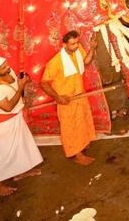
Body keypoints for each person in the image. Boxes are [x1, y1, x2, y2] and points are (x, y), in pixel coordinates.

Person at [0, 56, 43, 195]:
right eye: (3, 67)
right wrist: (21, 87)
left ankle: (21, 171)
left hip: (16, 118)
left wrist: (24, 85)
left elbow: (17, 88)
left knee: (22, 146)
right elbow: (7, 107)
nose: (7, 67)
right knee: (4, 155)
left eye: (6, 64)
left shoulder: (10, 73)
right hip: (4, 124)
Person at [40, 30, 98, 166]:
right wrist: (58, 97)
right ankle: (77, 154)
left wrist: (93, 48)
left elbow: (86, 62)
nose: (76, 46)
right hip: (67, 100)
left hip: (80, 96)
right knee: (71, 128)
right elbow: (43, 83)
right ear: (65, 44)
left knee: (82, 122)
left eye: (77, 42)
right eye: (72, 44)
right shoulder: (56, 62)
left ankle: (82, 145)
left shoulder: (78, 51)